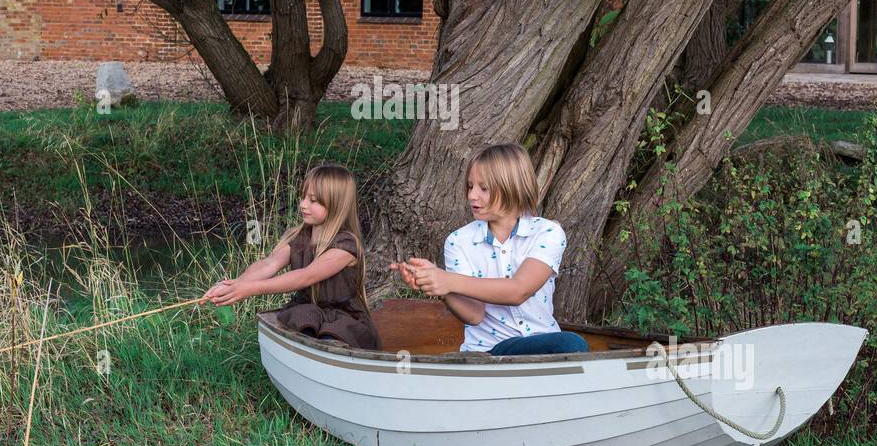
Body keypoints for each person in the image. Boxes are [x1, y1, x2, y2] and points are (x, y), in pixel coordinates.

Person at [391, 143, 589, 356]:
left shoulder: (547, 232)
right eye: (470, 186)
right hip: (488, 351)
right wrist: (437, 286)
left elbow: (519, 290)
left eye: (483, 188)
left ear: (512, 187)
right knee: (570, 347)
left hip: (544, 343)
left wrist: (447, 280)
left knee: (570, 345)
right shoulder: (459, 241)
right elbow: (474, 315)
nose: (472, 196)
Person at [205, 163, 379, 350]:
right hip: (309, 311)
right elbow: (269, 264)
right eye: (303, 197)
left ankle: (331, 357)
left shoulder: (346, 245)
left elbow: (305, 276)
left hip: (343, 316)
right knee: (301, 316)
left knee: (336, 332)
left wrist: (250, 289)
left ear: (336, 204)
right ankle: (305, 354)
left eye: (313, 200)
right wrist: (234, 285)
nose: (303, 205)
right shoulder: (300, 237)